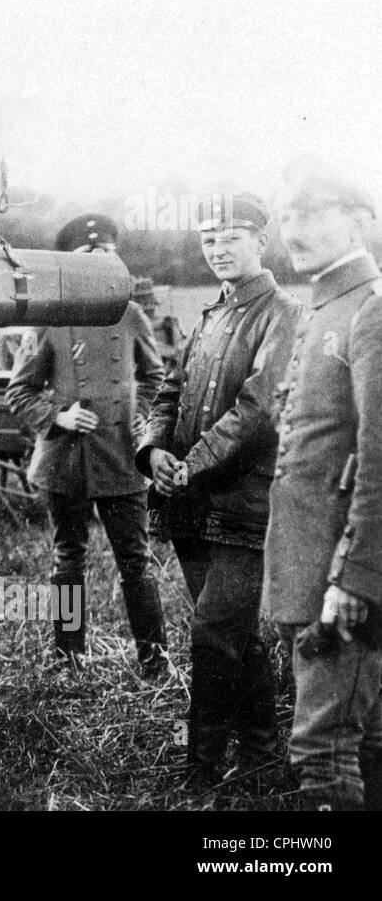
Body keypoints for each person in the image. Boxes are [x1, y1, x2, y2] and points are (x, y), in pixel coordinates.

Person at [136, 193, 302, 788]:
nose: (218, 249)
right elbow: (168, 392)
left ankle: (200, 773)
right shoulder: (210, 316)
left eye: (232, 236)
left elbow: (258, 411)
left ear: (262, 241)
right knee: (235, 637)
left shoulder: (284, 314)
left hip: (244, 507)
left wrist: (190, 465)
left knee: (211, 636)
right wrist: (154, 449)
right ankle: (260, 753)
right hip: (192, 505)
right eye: (209, 238)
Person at [265, 157, 382, 810]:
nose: (293, 226)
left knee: (324, 749)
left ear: (361, 221)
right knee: (360, 738)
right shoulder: (328, 308)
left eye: (311, 210)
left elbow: (380, 458)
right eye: (286, 214)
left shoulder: (370, 310)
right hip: (314, 569)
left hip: (344, 578)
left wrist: (355, 576)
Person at [5, 213, 168, 677]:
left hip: (122, 458)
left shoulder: (132, 315)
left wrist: (140, 421)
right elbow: (20, 391)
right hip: (65, 461)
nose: (97, 264)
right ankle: (69, 657)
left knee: (136, 561)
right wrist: (57, 415)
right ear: (70, 265)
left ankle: (155, 662)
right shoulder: (48, 318)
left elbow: (156, 378)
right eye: (85, 257)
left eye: (105, 256)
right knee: (68, 558)